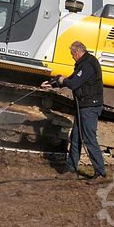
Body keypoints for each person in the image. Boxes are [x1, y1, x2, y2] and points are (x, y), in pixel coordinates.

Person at [41, 41, 107, 184]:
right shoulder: (83, 64)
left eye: (72, 54)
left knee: (89, 138)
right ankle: (71, 170)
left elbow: (73, 83)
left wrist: (61, 79)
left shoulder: (88, 64)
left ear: (76, 52)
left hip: (90, 107)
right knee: (76, 137)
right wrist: (53, 84)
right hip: (83, 106)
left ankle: (100, 173)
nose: (72, 57)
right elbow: (71, 79)